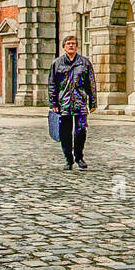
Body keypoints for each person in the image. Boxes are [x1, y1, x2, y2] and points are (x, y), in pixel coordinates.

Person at [47, 35, 97, 172]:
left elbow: (91, 84)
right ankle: (68, 159)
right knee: (65, 134)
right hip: (64, 103)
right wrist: (53, 103)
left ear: (77, 46)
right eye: (68, 43)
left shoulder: (84, 63)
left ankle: (79, 157)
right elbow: (52, 84)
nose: (71, 46)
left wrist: (93, 102)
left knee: (81, 131)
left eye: (73, 43)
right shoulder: (57, 64)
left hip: (80, 102)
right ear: (64, 46)